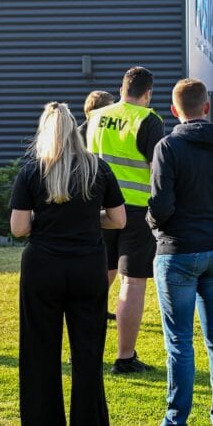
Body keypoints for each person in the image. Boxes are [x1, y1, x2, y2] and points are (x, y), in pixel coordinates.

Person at [129, 79, 213, 426]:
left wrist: (153, 224)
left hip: (177, 251)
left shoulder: (169, 146)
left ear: (174, 110)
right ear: (207, 107)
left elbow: (161, 205)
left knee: (180, 342)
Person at [10, 102, 126, 426]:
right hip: (88, 267)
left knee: (40, 352)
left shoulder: (32, 171)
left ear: (44, 132)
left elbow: (18, 228)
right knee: (88, 353)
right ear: (76, 130)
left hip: (43, 267)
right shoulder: (98, 169)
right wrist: (92, 221)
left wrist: (43, 224)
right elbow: (119, 220)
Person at [85, 66, 164, 373]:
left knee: (97, 280)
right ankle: (125, 357)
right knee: (132, 282)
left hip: (99, 210)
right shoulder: (148, 120)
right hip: (135, 210)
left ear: (121, 88)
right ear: (148, 93)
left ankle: (83, 351)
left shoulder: (96, 118)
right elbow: (160, 169)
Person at [80, 89, 118, 321]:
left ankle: (98, 304)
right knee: (103, 261)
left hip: (104, 203)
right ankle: (93, 305)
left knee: (109, 263)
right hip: (96, 205)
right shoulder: (82, 135)